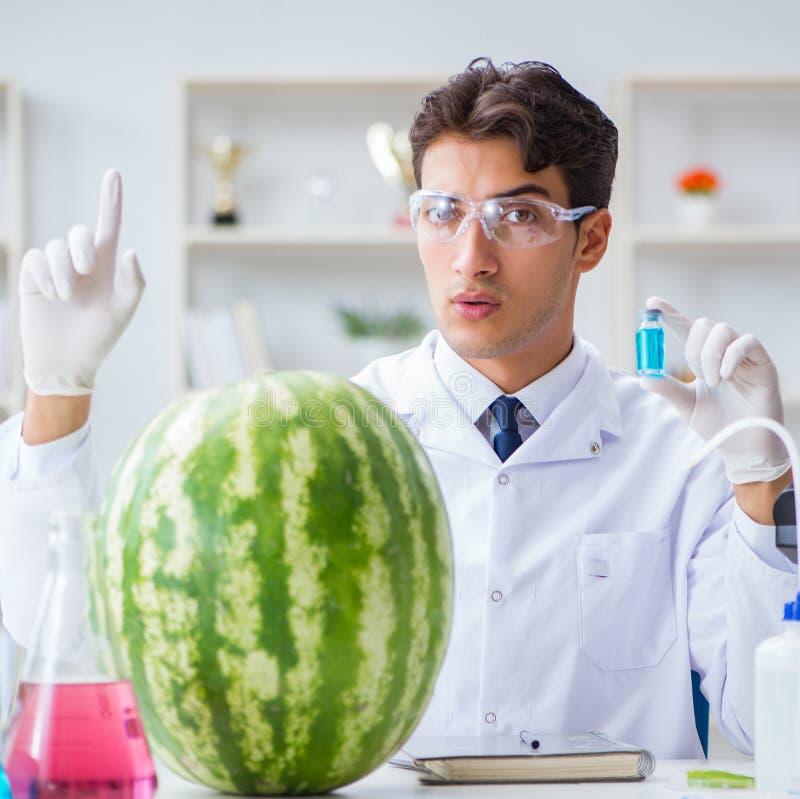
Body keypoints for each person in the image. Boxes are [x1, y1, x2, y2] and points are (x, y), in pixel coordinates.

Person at [0, 59, 795, 760]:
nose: (470, 256)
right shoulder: (330, 435)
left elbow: (771, 727)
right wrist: (56, 399)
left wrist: (763, 483)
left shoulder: (685, 451)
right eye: (443, 211)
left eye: (517, 215)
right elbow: (72, 645)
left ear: (591, 240)